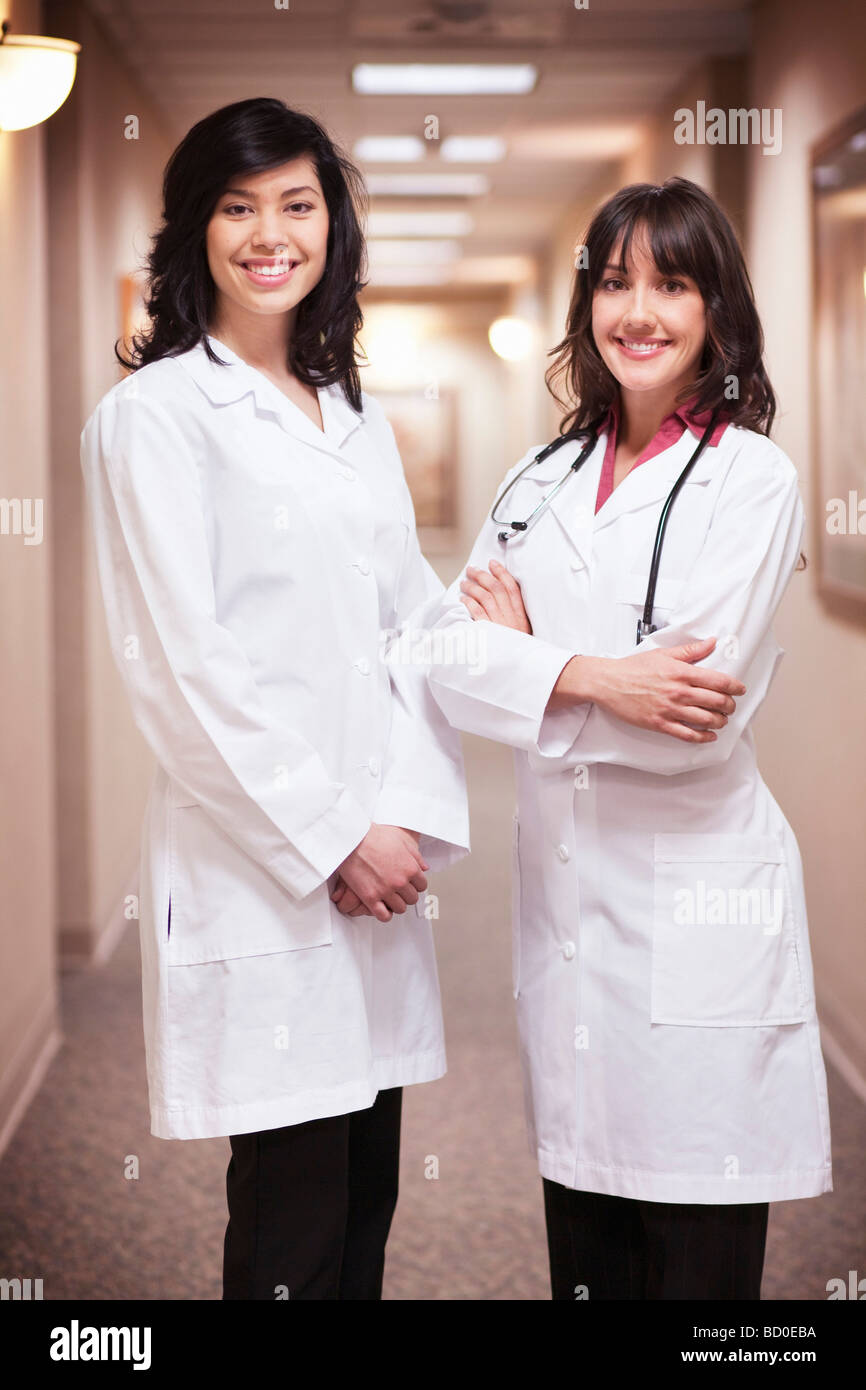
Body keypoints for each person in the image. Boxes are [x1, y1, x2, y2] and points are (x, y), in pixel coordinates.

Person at [367, 177, 832, 1300]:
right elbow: (441, 662)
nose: (638, 311)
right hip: (568, 928)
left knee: (698, 1270)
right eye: (614, 282)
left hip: (695, 917)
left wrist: (529, 669)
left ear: (715, 306)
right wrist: (594, 677)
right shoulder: (539, 479)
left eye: (670, 283)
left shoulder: (752, 481)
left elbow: (686, 723)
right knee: (587, 1249)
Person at [79, 97, 469, 1301]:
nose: (269, 234)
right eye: (237, 206)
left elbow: (405, 625)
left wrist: (506, 632)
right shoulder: (153, 420)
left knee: (363, 1200)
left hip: (376, 868)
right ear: (195, 228)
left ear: (330, 228)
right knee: (289, 1226)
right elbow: (185, 670)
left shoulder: (347, 415)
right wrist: (336, 835)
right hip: (273, 870)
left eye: (297, 205)